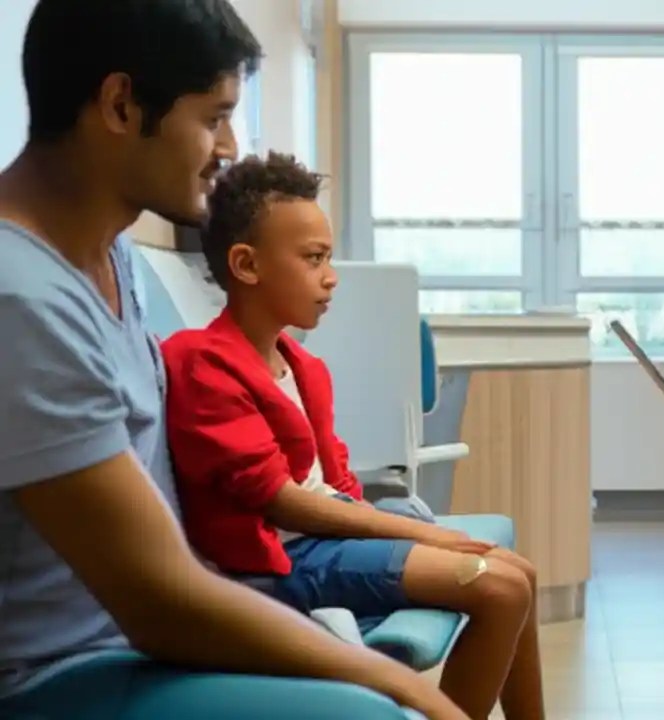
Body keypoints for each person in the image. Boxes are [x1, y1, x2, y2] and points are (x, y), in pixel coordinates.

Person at [0, 2, 466, 718]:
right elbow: (160, 602)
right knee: (369, 711)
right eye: (213, 117)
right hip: (56, 674)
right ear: (122, 104)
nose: (228, 146)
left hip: (136, 636)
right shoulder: (20, 297)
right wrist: (390, 680)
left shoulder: (109, 255)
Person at [161, 151, 546, 720]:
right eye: (313, 258)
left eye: (329, 257)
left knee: (523, 575)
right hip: (276, 569)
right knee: (500, 589)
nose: (331, 276)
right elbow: (283, 503)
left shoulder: (302, 367)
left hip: (324, 548)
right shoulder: (202, 362)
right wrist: (431, 539)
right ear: (246, 265)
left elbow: (336, 482)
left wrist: (410, 534)